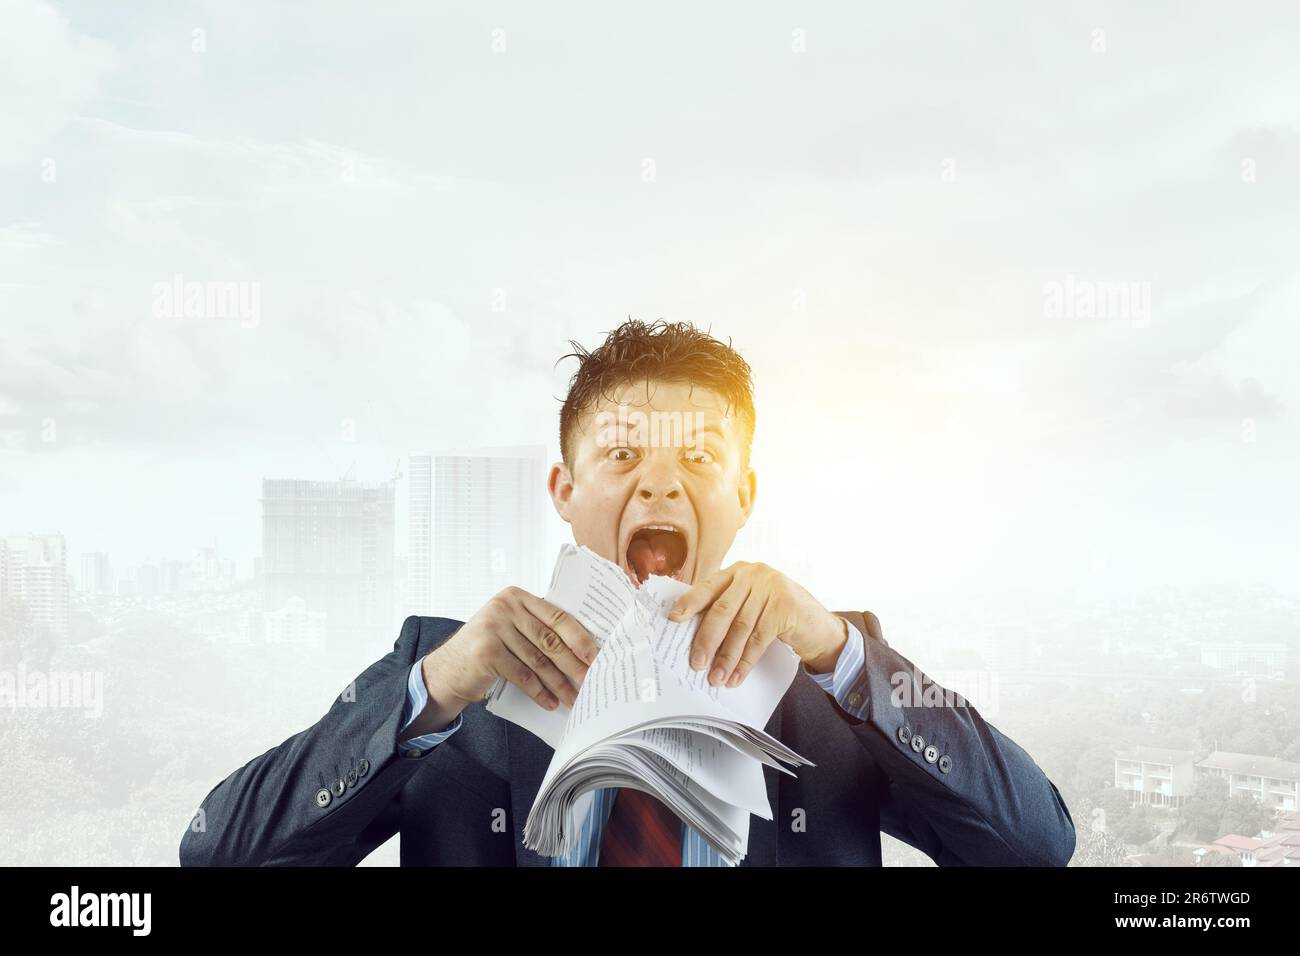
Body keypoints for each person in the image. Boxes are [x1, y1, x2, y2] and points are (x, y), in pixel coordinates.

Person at [180, 319, 1075, 866]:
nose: (659, 489)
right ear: (565, 494)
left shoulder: (830, 686)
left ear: (745, 498)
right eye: (621, 458)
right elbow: (219, 852)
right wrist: (432, 694)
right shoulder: (448, 679)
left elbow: (1035, 845)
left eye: (698, 461)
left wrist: (838, 652)